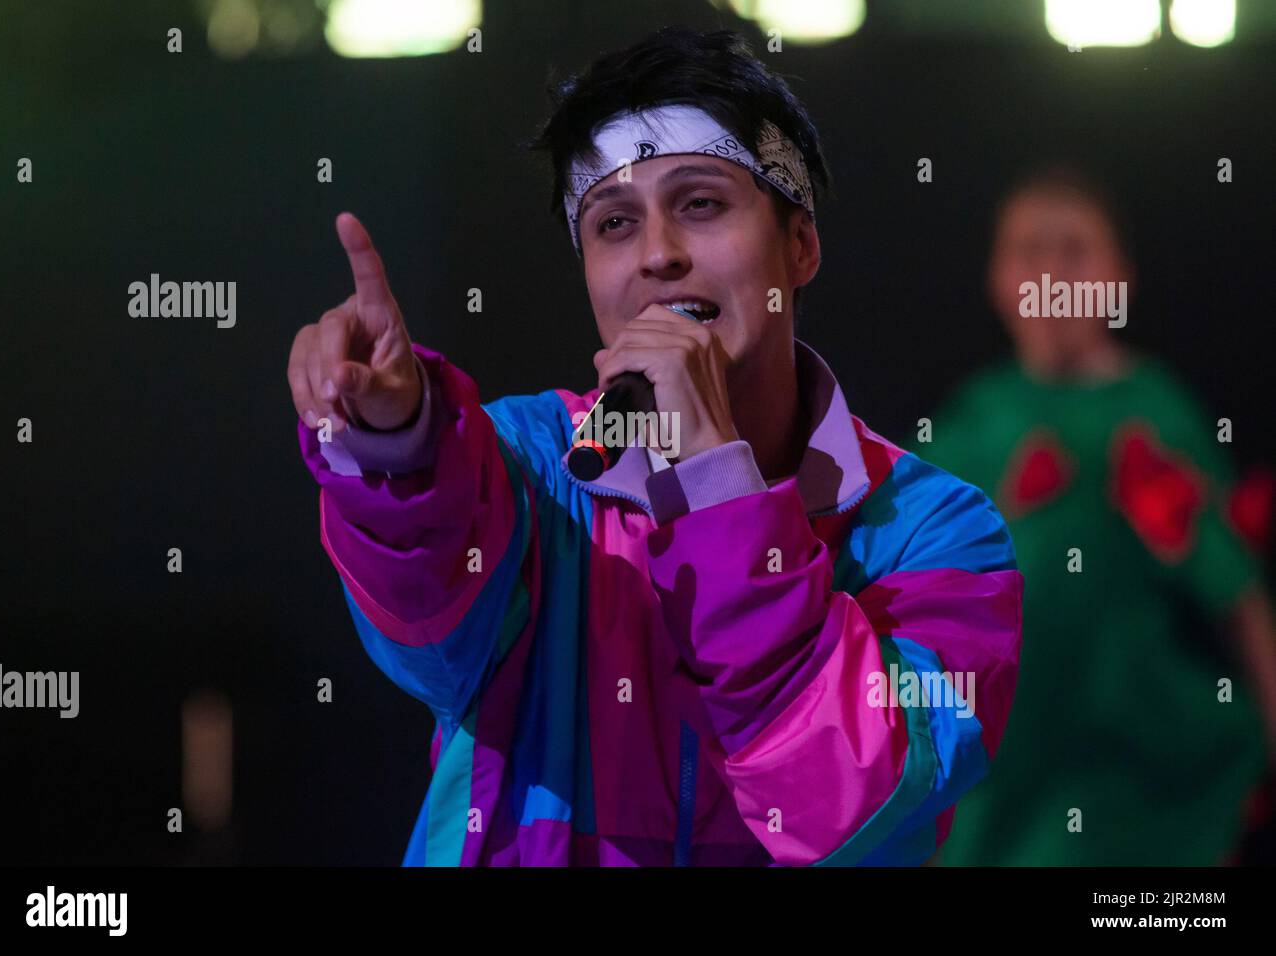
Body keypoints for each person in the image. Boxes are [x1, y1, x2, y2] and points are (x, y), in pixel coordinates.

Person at [286, 27, 1023, 866]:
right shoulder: (527, 466)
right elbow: (424, 632)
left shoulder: (939, 535)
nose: (659, 256)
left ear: (801, 245)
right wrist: (395, 440)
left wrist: (717, 482)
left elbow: (845, 804)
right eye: (613, 224)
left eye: (701, 204)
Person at [920, 165, 1276, 866]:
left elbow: (1238, 600)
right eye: (1030, 251)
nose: (1052, 271)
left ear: (1119, 275)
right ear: (998, 277)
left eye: (1075, 250)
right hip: (1002, 787)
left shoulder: (1155, 413)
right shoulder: (969, 424)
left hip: (1135, 784)